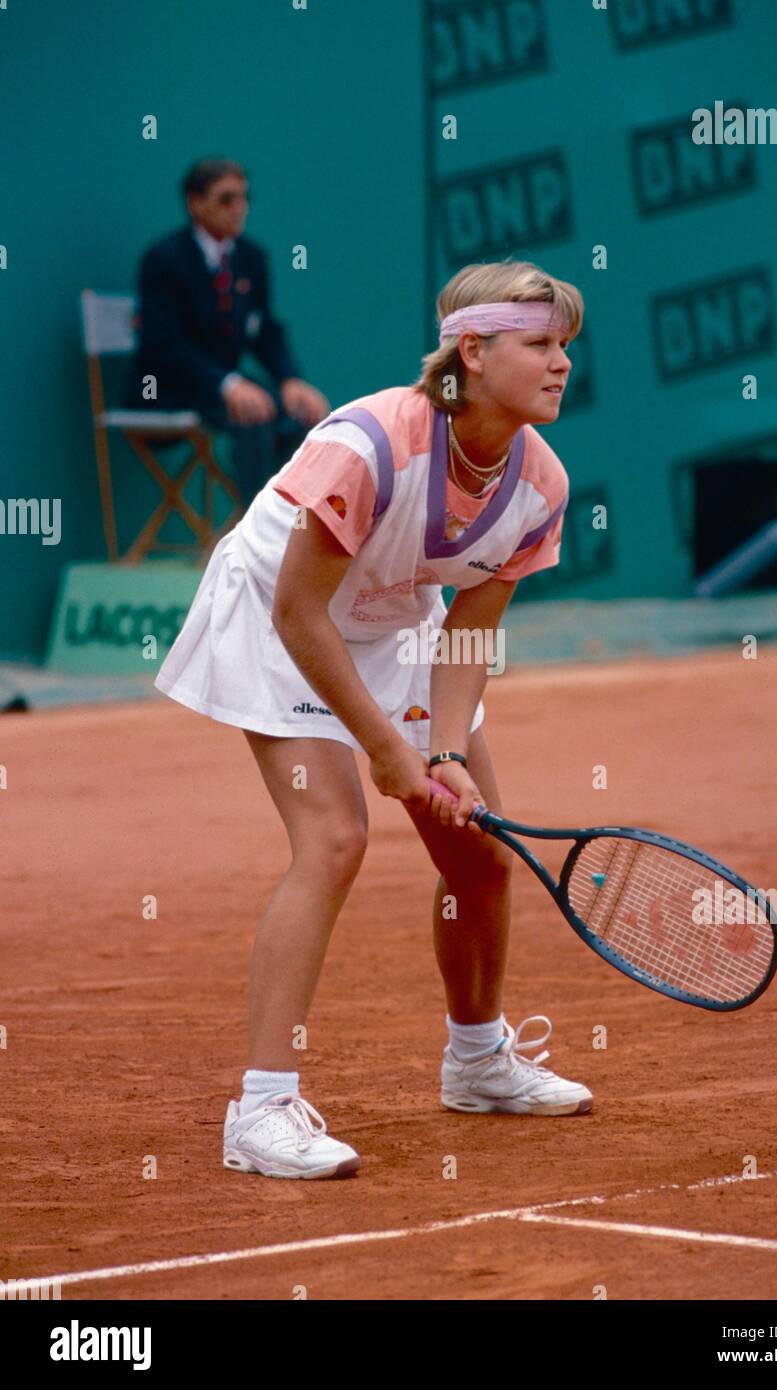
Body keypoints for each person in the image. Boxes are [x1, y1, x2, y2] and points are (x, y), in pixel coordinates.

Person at [153, 258, 592, 1180]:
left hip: (392, 622)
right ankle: (261, 1108)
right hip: (281, 616)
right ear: (473, 352)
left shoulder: (540, 486)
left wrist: (441, 748)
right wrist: (391, 752)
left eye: (566, 348)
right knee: (335, 835)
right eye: (541, 344)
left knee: (481, 851)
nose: (561, 364)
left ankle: (477, 1063)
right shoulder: (368, 444)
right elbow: (298, 614)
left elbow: (469, 637)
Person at [125, 157, 330, 505]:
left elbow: (265, 329)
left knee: (299, 414)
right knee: (254, 413)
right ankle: (258, 532)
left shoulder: (251, 257)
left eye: (244, 198)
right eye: (226, 199)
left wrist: (289, 378)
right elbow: (164, 346)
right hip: (170, 389)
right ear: (195, 203)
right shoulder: (163, 259)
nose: (239, 208)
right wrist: (228, 385)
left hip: (224, 387)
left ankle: (292, 524)